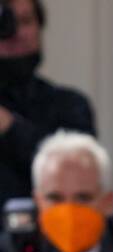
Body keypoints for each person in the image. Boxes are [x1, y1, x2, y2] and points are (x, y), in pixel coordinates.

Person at [0, 0, 95, 206]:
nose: (16, 33)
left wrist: (9, 127)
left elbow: (77, 170)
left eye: (25, 21)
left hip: (54, 233)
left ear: (40, 28)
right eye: (5, 22)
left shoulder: (70, 105)